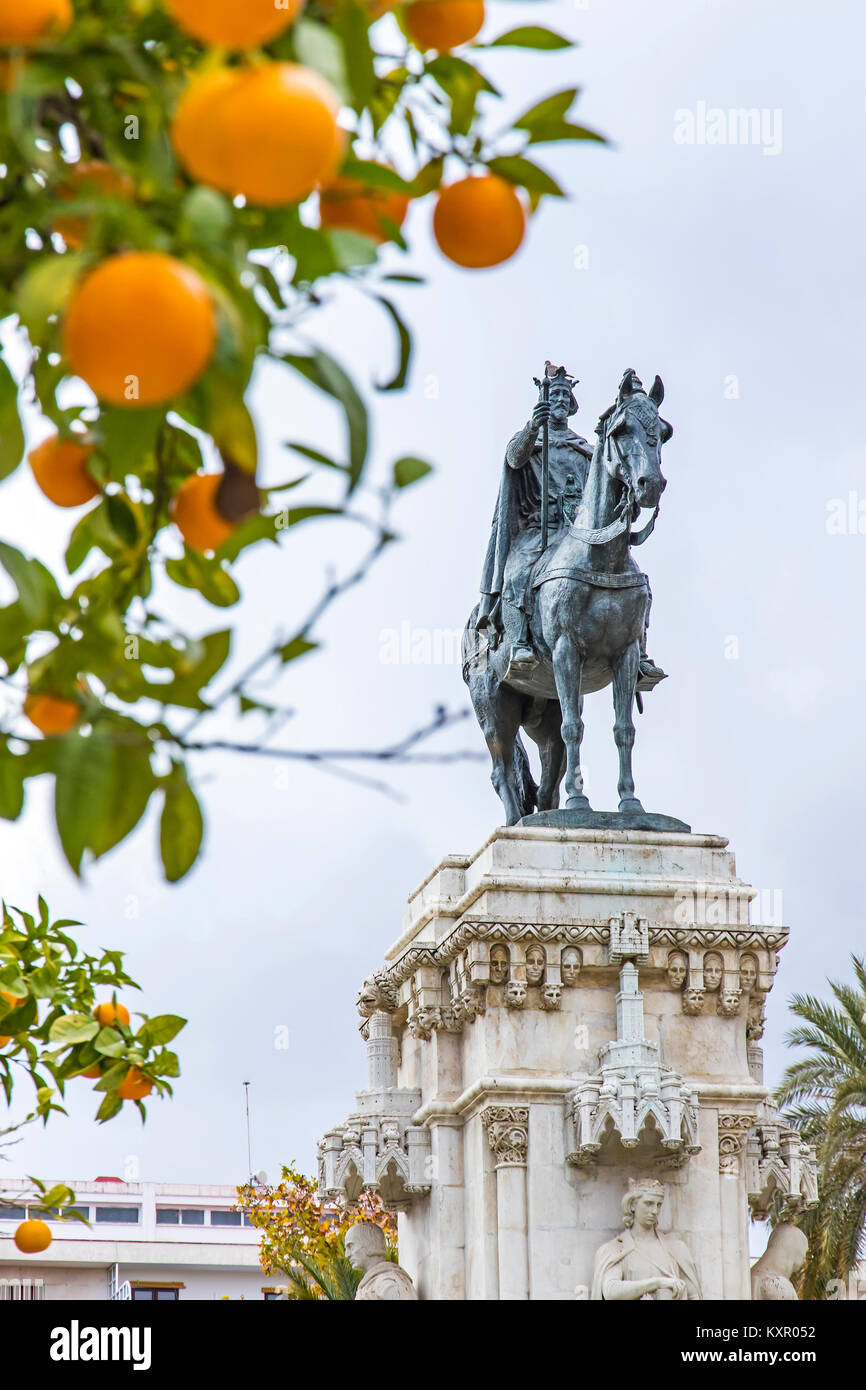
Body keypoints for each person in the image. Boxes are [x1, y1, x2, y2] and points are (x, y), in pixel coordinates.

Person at [477, 364, 664, 683]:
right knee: (517, 572)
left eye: (566, 394)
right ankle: (522, 642)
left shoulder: (586, 449)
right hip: (541, 530)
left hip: (582, 530)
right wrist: (532, 428)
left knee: (634, 577)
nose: (562, 399)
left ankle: (639, 654)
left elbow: (605, 483)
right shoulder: (533, 441)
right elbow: (513, 458)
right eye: (556, 394)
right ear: (546, 400)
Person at [591, 1179, 702, 1301]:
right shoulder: (616, 1249)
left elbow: (693, 1295)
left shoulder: (676, 1248)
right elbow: (610, 1291)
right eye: (648, 1203)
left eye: (658, 1205)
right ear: (633, 1205)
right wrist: (657, 1283)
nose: (654, 1211)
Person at [344, 1221, 418, 1300]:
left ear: (368, 1243)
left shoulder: (388, 1283)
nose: (347, 1255)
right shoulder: (371, 1285)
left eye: (351, 1246)